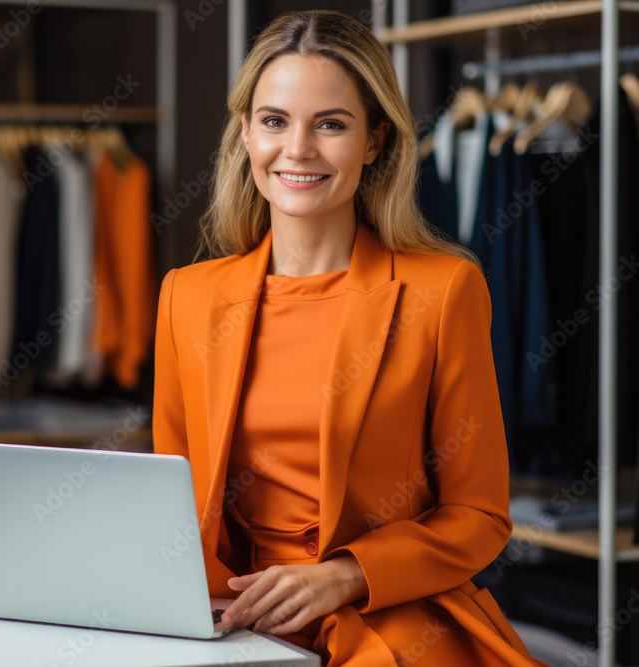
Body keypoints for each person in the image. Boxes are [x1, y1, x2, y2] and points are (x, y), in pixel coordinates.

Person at [152, 10, 548, 666]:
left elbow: (481, 516)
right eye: (274, 121)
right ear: (246, 132)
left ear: (375, 141)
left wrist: (346, 573)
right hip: (233, 617)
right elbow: (168, 503)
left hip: (389, 617)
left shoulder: (443, 291)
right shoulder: (186, 298)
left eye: (330, 124)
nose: (298, 150)